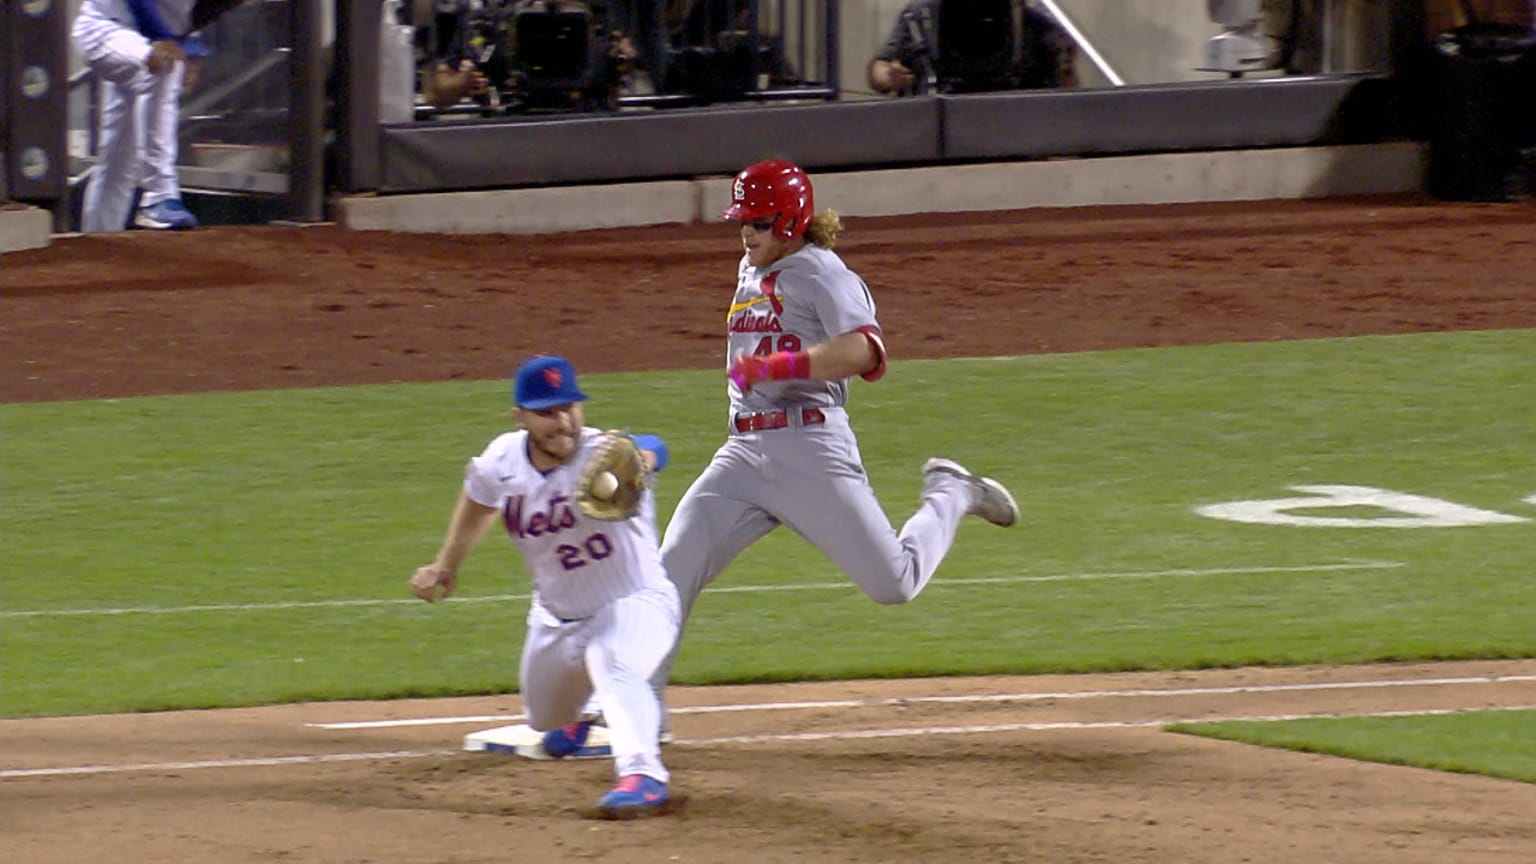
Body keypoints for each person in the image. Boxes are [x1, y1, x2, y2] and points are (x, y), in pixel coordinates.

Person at [645, 159, 1020, 734]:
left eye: (759, 222)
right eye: (742, 221)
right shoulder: (750, 268)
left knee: (893, 583)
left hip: (810, 447)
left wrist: (785, 364)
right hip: (741, 454)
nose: (747, 233)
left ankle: (950, 492)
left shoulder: (823, 273)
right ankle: (639, 713)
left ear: (790, 220)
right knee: (671, 571)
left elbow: (866, 351)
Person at [410, 354, 681, 819]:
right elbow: (479, 499)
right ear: (521, 417)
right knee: (545, 718)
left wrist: (645, 456)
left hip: (638, 602)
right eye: (547, 412)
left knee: (612, 660)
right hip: (558, 616)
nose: (562, 421)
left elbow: (654, 445)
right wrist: (446, 563)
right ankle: (581, 716)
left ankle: (645, 775)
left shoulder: (606, 454)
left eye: (569, 407)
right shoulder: (504, 459)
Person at [71, 0, 202, 232]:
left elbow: (188, 18)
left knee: (119, 157)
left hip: (137, 40)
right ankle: (159, 196)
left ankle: (97, 242)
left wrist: (191, 52)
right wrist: (163, 38)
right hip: (102, 27)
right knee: (163, 65)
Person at [867, 0, 1077, 96]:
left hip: (1012, 127)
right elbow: (880, 67)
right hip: (934, 131)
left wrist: (1064, 67)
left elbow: (1062, 96)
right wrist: (887, 76)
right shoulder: (921, 16)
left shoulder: (1030, 23)